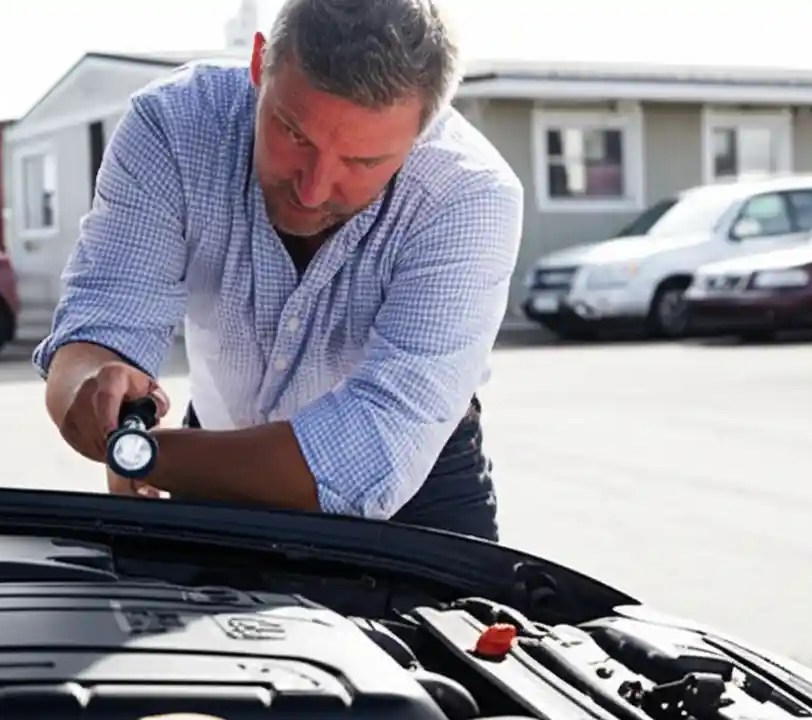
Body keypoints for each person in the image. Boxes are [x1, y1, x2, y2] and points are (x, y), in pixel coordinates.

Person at [33, 0, 523, 541]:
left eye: (362, 163)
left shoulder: (469, 195)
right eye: (294, 133)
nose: (312, 189)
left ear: (422, 133)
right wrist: (95, 394)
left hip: (415, 490)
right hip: (208, 459)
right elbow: (100, 327)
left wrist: (144, 457)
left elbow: (374, 453)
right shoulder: (173, 127)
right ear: (259, 61)